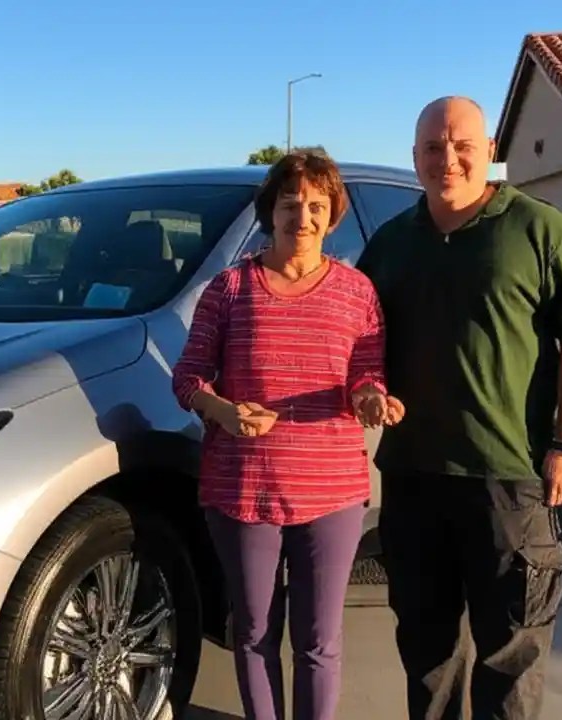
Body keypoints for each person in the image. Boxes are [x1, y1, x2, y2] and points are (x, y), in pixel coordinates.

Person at [354, 96, 562, 720]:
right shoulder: (390, 244)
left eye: (463, 144)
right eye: (434, 148)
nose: (449, 158)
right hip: (413, 480)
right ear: (414, 159)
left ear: (489, 151)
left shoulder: (540, 231)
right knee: (427, 651)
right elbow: (360, 342)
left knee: (510, 655)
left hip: (510, 481)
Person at [172, 151, 405, 720]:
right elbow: (188, 377)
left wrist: (371, 397)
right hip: (243, 487)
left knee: (318, 638)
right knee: (254, 630)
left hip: (332, 490)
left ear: (332, 217)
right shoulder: (229, 289)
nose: (303, 217)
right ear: (269, 211)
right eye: (290, 203)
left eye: (317, 206)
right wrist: (223, 411)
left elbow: (367, 371)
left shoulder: (357, 292)